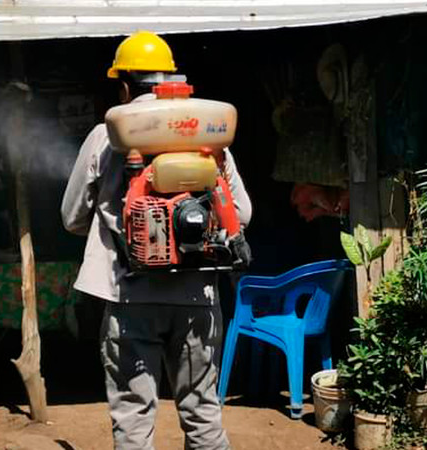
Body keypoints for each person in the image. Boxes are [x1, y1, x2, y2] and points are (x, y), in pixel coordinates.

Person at [61, 31, 252, 450]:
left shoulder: (104, 136)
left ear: (125, 85)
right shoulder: (208, 135)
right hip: (197, 294)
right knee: (202, 414)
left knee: (133, 418)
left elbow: (72, 217)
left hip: (129, 295)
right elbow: (242, 214)